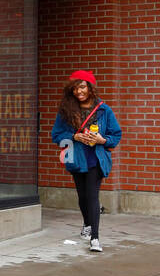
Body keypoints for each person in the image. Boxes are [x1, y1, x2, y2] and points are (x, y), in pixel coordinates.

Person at [50, 70, 122, 252]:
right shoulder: (66, 111)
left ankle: (95, 238)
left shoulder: (104, 110)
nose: (78, 91)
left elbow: (116, 134)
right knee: (82, 197)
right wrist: (75, 136)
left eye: (82, 87)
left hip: (96, 159)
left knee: (92, 195)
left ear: (90, 87)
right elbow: (56, 135)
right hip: (77, 158)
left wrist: (102, 140)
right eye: (75, 88)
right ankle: (87, 224)